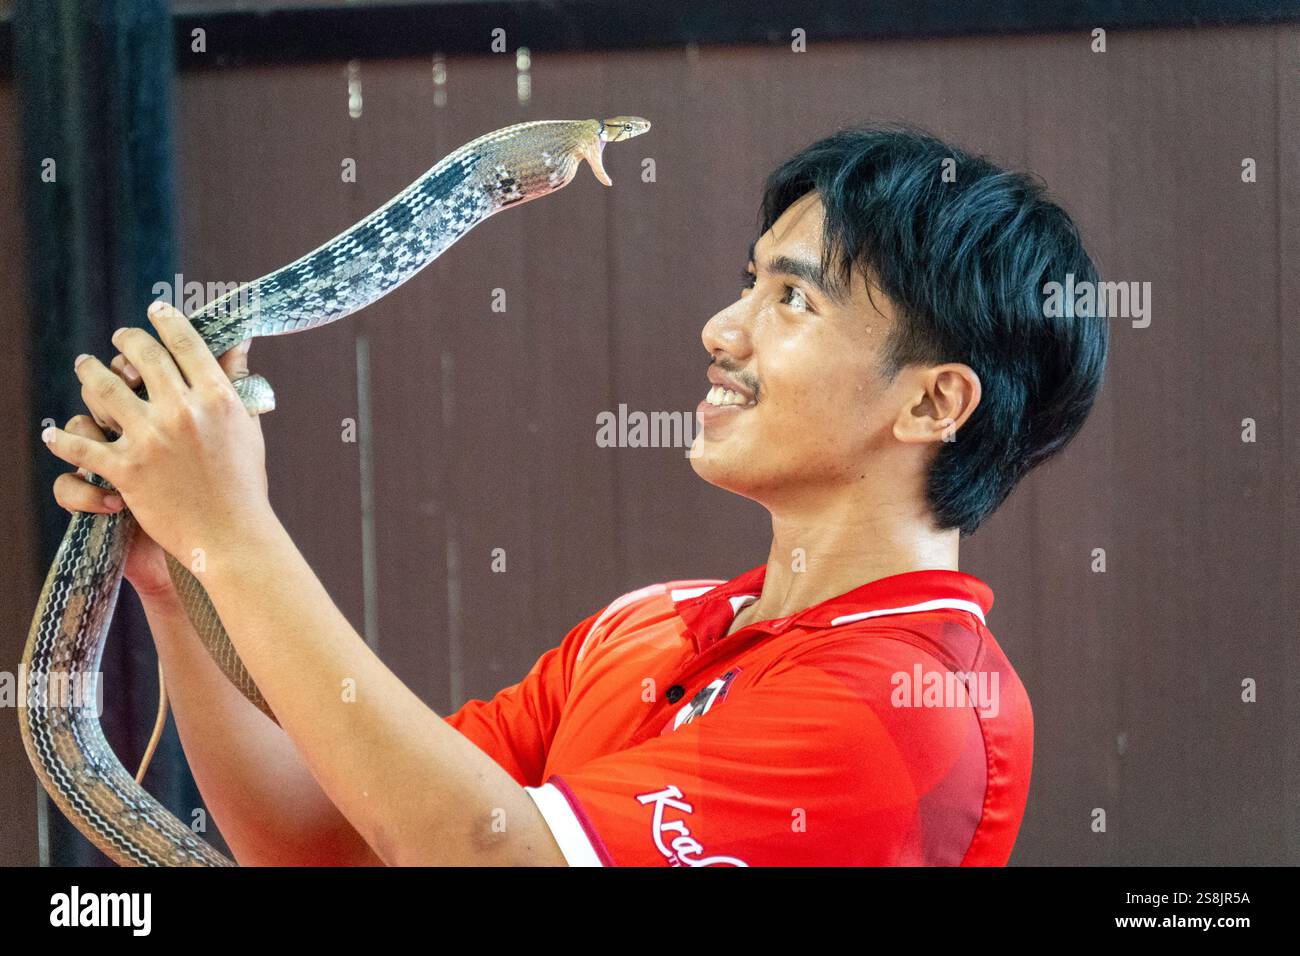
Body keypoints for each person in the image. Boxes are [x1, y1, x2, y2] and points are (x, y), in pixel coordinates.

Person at [45, 124, 1107, 866]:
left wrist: (233, 530)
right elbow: (331, 848)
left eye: (793, 298)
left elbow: (479, 857)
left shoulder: (912, 712)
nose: (722, 329)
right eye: (748, 281)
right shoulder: (642, 630)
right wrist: (181, 574)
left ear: (934, 402)